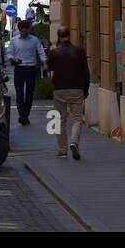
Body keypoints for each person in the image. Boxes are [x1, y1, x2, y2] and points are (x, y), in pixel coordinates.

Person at [47, 27, 90, 160]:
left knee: (60, 120)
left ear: (59, 37)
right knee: (77, 118)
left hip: (59, 89)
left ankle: (62, 150)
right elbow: (86, 72)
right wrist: (85, 90)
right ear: (69, 36)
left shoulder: (55, 53)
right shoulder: (79, 51)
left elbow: (49, 68)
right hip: (76, 89)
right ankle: (74, 142)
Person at [8, 19, 48, 126]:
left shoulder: (34, 40)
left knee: (30, 93)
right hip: (19, 68)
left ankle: (25, 115)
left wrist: (44, 63)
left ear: (28, 30)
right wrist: (14, 60)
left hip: (31, 68)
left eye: (25, 31)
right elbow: (9, 54)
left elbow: (41, 52)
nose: (24, 33)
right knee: (19, 93)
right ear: (19, 30)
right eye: (22, 31)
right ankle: (22, 115)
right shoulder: (14, 40)